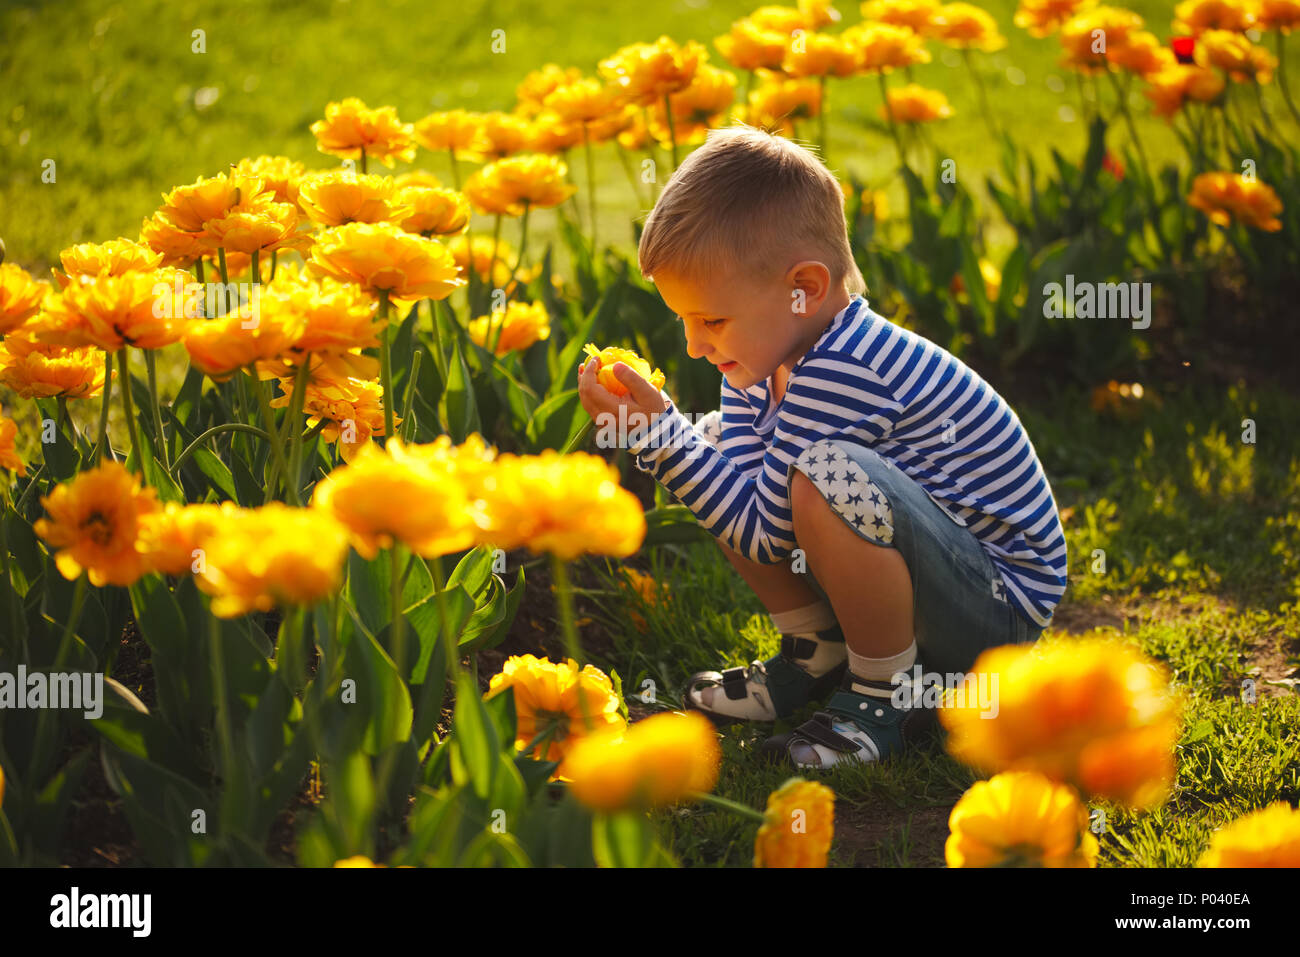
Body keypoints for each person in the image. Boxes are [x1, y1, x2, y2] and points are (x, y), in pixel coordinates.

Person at [576, 124, 1066, 769]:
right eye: (684, 320)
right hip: (931, 579)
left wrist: (658, 437)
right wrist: (675, 437)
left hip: (995, 607)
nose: (694, 345)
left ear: (803, 285)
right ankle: (817, 650)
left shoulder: (846, 366)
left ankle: (889, 692)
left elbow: (763, 531)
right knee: (720, 444)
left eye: (712, 320)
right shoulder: (765, 362)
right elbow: (756, 515)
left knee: (822, 475)